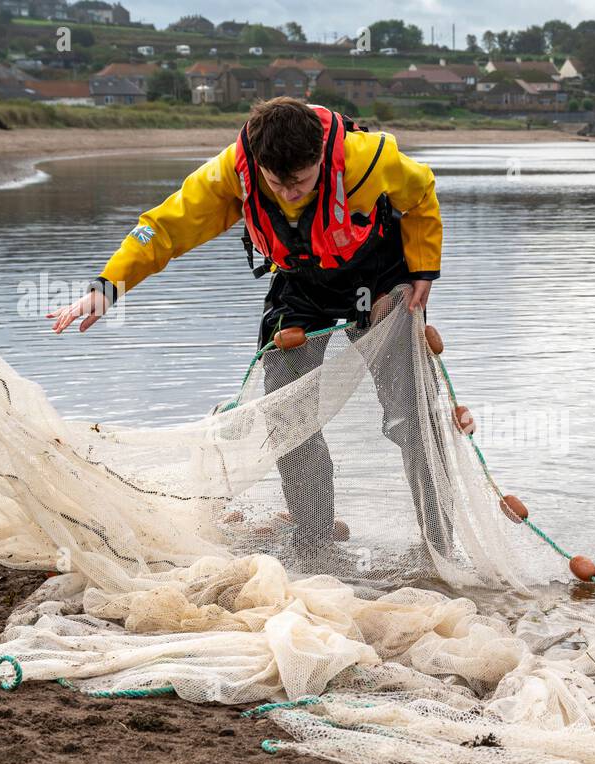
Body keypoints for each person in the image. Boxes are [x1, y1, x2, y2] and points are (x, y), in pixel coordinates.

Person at [47, 97, 450, 561]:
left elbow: (420, 193)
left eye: (300, 180)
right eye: (277, 183)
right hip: (300, 285)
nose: (290, 193)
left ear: (322, 156)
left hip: (377, 280)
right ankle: (315, 538)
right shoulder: (229, 174)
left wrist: (424, 268)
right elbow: (162, 228)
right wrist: (106, 286)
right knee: (287, 417)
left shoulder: (367, 158)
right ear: (258, 165)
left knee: (411, 415)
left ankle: (440, 545)